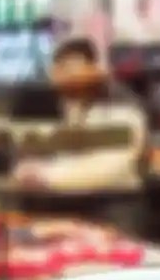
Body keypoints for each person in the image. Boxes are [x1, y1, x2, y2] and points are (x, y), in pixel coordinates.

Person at [12, 37, 147, 193]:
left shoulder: (121, 104)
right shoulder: (67, 104)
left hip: (115, 200)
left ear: (93, 69)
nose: (63, 77)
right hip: (68, 199)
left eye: (70, 68)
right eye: (58, 70)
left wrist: (47, 175)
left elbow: (111, 165)